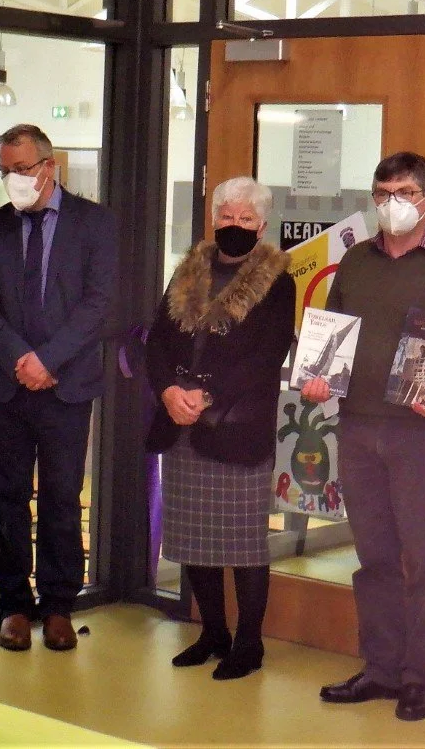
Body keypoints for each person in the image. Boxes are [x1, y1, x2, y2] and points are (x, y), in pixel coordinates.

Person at [300, 151, 425, 722]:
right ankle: (379, 669)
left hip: (424, 438)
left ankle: (418, 678)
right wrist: (316, 378)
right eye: (382, 192)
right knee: (374, 557)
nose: (392, 204)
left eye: (405, 193)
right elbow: (332, 336)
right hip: (357, 428)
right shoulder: (356, 262)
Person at [0, 124, 117, 654]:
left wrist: (48, 360)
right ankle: (12, 605)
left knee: (60, 496)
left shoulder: (94, 224)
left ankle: (57, 604)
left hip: (66, 385)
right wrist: (19, 360)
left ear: (48, 168)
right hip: (7, 389)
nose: (13, 180)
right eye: (4, 170)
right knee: (7, 497)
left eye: (22, 170)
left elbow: (98, 304)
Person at [144, 177, 294, 680]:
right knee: (193, 539)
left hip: (236, 428)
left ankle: (249, 643)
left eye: (245, 219)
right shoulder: (190, 269)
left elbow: (267, 354)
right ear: (214, 220)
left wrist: (206, 396)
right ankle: (213, 632)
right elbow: (158, 339)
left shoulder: (277, 281)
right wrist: (168, 390)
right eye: (226, 217)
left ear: (262, 226)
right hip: (181, 423)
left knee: (243, 544)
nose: (234, 226)